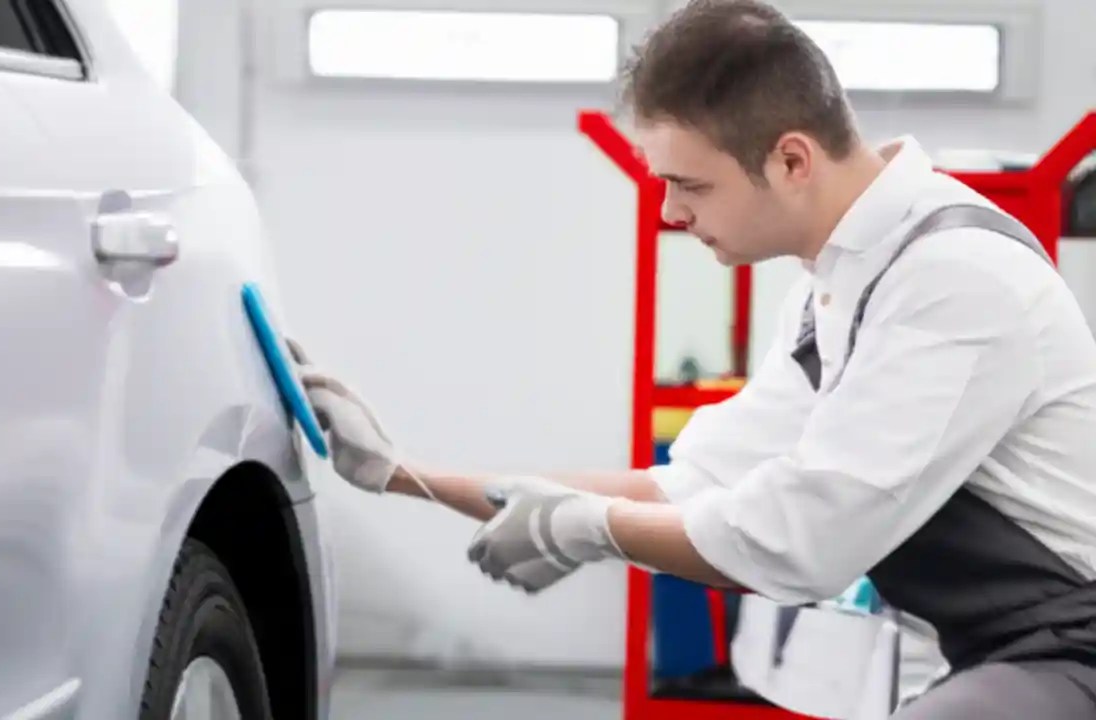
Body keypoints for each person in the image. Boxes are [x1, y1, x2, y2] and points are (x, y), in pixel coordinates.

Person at [293, 1, 1096, 717]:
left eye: (690, 186)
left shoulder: (950, 278)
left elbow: (802, 541)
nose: (673, 213)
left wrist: (590, 530)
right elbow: (687, 486)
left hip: (1072, 653)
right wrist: (405, 473)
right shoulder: (838, 290)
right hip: (993, 654)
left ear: (791, 160)